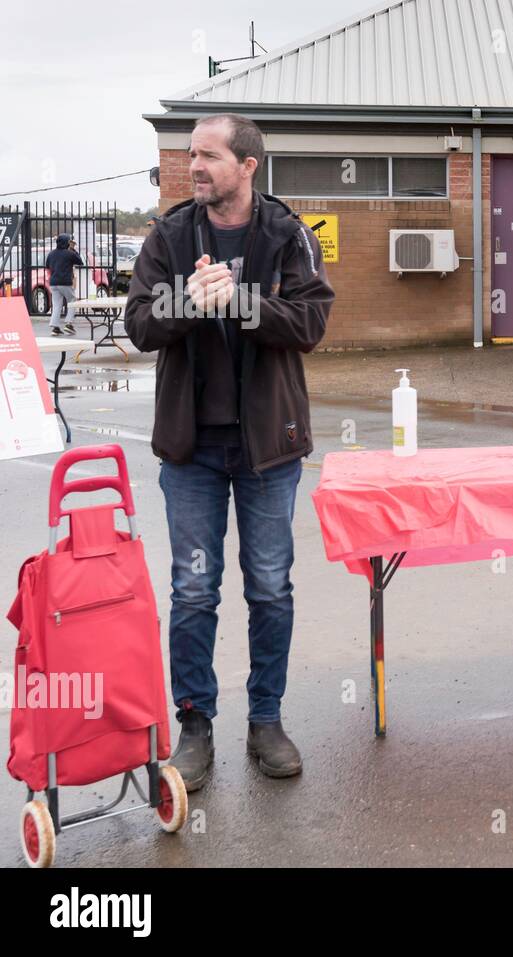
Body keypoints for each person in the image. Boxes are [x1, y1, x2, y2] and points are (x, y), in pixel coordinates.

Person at [124, 113, 335, 792]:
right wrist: (190, 297)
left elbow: (310, 322)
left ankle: (266, 720)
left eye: (209, 156)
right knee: (192, 590)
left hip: (268, 449)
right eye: (191, 155)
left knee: (270, 585)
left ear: (247, 166)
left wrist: (242, 301)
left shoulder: (287, 234)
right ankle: (195, 725)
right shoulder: (170, 235)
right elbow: (138, 323)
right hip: (191, 451)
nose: (196, 166)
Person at [43, 233, 83, 336]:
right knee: (72, 301)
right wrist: (73, 249)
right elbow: (80, 262)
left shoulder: (51, 253)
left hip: (53, 283)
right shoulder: (69, 253)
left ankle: (55, 327)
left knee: (56, 305)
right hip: (65, 282)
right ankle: (69, 324)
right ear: (67, 243)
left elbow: (47, 265)